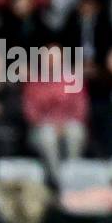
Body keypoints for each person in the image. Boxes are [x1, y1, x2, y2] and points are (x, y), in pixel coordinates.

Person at [21, 45, 88, 184]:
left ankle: (72, 176)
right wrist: (49, 123)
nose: (52, 61)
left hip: (68, 125)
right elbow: (30, 111)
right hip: (41, 128)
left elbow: (81, 109)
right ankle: (59, 182)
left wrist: (63, 123)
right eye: (49, 57)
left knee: (76, 132)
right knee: (48, 135)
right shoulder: (34, 81)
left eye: (56, 57)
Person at [57, 0, 112, 81]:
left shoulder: (105, 26)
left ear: (97, 8)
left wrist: (96, 64)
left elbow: (108, 46)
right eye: (85, 5)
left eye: (91, 5)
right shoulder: (70, 25)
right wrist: (79, 65)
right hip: (75, 65)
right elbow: (66, 46)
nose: (88, 9)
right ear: (79, 7)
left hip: (100, 66)